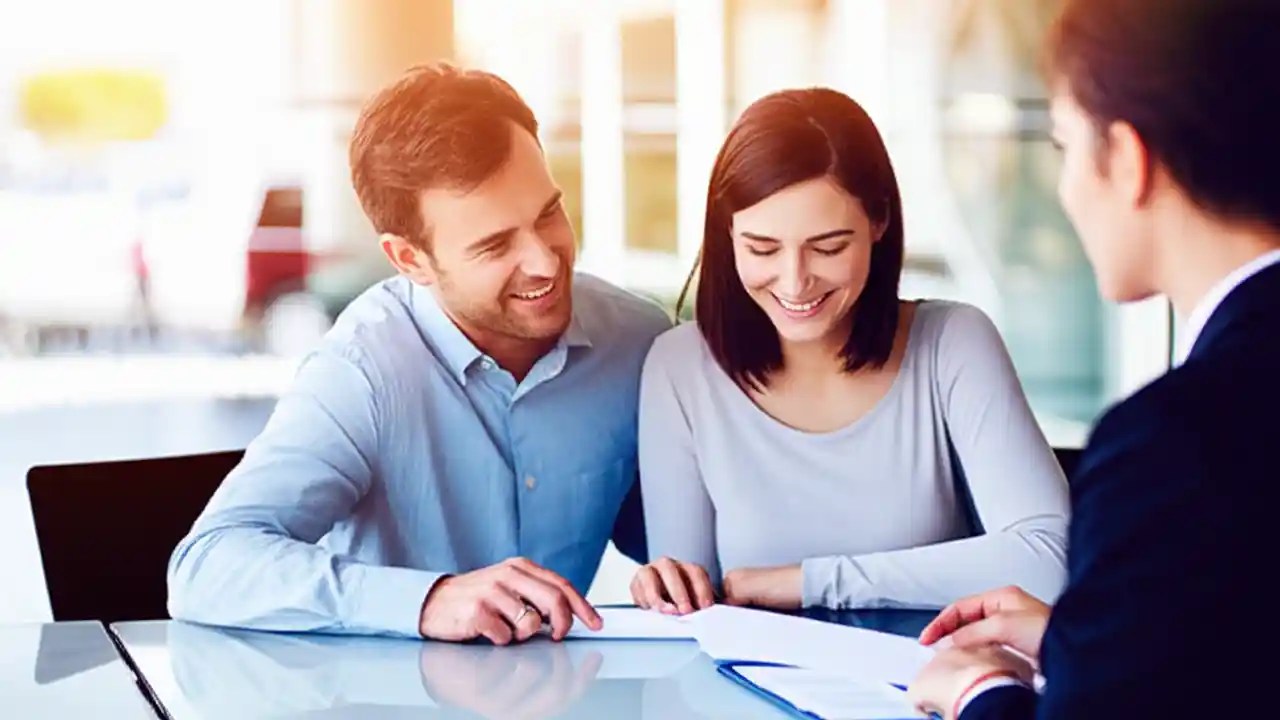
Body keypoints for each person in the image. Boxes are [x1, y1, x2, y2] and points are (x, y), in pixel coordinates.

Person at [167, 63, 670, 643]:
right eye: (495, 244)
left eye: (548, 214)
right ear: (411, 260)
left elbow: (675, 540)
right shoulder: (361, 372)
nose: (545, 261)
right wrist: (428, 599)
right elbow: (206, 567)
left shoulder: (636, 340)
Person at [908, 1, 1280, 717]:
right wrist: (1084, 646)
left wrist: (978, 692)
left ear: (1130, 161)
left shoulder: (1172, 444)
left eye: (1064, 146)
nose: (1065, 187)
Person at [629, 87, 1069, 616]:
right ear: (727, 234)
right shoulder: (679, 369)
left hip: (938, 687)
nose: (795, 282)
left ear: (878, 222)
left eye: (829, 247)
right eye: (762, 248)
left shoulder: (952, 343)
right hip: (747, 687)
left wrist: (813, 582)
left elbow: (1048, 560)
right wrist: (665, 587)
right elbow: (691, 608)